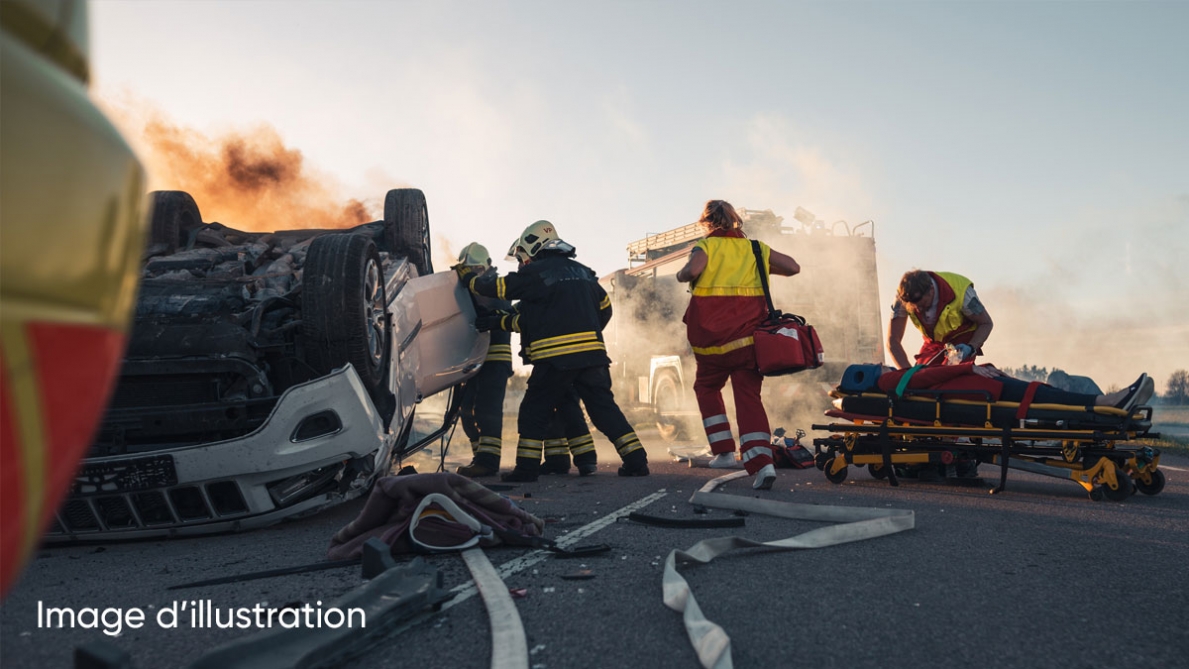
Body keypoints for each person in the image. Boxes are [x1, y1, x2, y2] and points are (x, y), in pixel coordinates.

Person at [460, 220, 648, 482]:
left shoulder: (535, 274)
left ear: (532, 247)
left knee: (533, 411)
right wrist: (585, 333)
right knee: (604, 410)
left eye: (522, 257)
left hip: (555, 361)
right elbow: (604, 308)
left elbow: (497, 288)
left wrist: (468, 278)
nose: (522, 263)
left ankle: (526, 470)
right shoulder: (583, 273)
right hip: (593, 357)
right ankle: (637, 461)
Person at [675, 200, 801, 490]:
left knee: (706, 388)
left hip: (712, 344)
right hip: (747, 341)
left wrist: (681, 274)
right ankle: (763, 464)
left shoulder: (705, 247)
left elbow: (692, 271)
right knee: (748, 396)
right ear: (735, 221)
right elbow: (793, 267)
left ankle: (723, 452)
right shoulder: (755, 249)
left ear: (706, 223)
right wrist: (765, 268)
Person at [453, 244, 515, 478]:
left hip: (494, 361)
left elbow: (493, 311)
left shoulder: (494, 288)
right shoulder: (470, 290)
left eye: (475, 269)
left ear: (484, 267)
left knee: (487, 411)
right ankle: (479, 457)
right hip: (471, 361)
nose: (472, 275)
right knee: (466, 411)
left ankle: (488, 462)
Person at [887, 270, 993, 369]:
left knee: (950, 373)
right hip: (933, 342)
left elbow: (986, 323)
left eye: (923, 305)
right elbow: (893, 341)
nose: (919, 310)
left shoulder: (962, 293)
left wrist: (971, 347)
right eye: (914, 307)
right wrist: (908, 375)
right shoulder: (902, 298)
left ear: (931, 290)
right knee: (924, 374)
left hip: (961, 340)